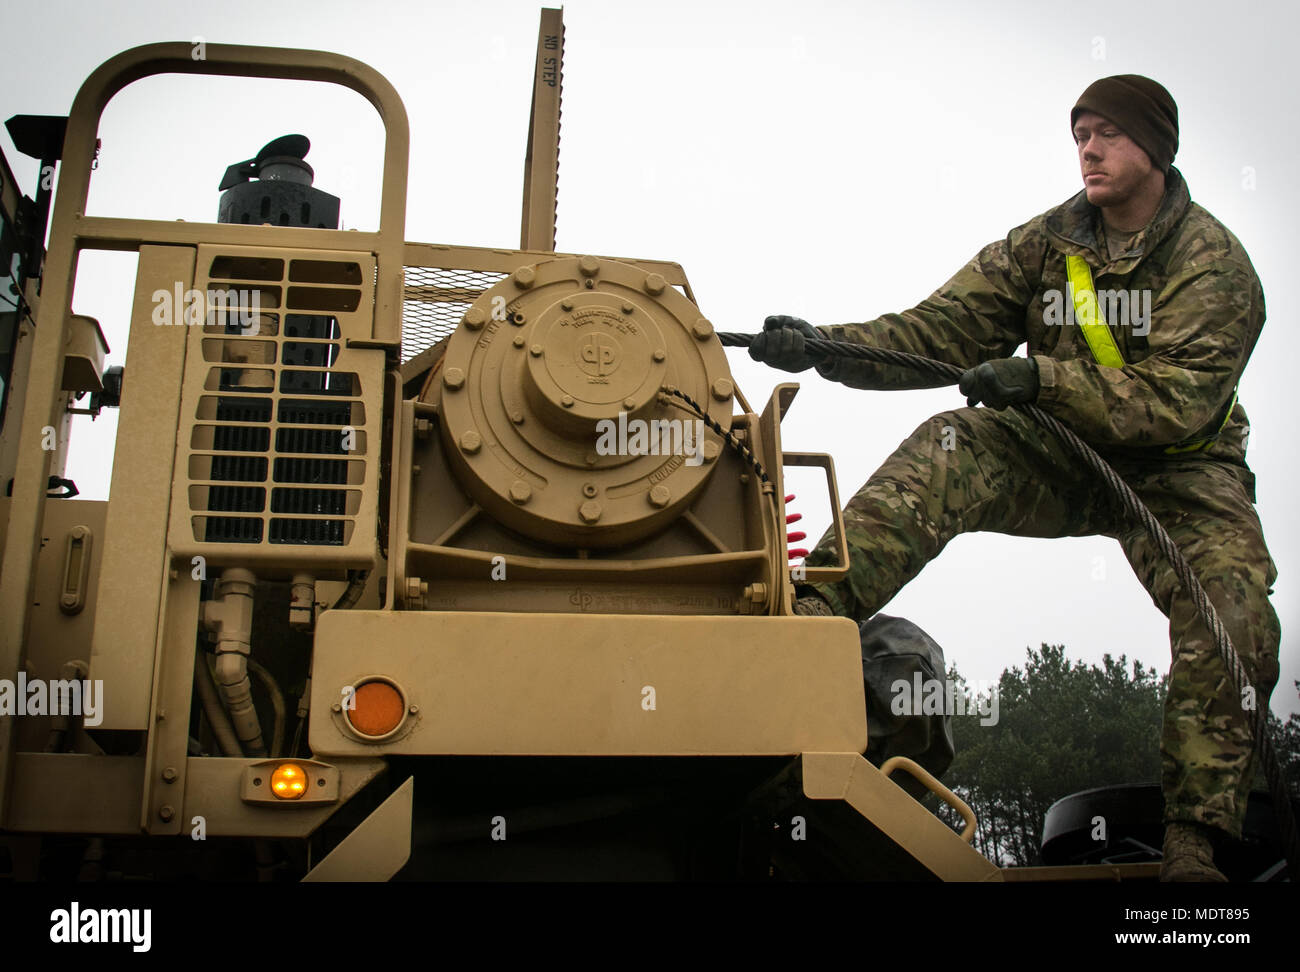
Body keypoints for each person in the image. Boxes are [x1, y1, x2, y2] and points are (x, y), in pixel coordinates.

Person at [749, 75, 1280, 881]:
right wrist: (824, 346)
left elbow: (1180, 402)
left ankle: (1193, 843)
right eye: (1080, 134)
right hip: (1064, 452)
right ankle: (813, 614)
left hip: (1182, 472)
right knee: (954, 442)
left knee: (1236, 615)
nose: (1088, 150)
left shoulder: (1216, 265)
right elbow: (937, 331)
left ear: (1156, 149)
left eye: (1107, 134)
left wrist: (1044, 382)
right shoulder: (1047, 242)